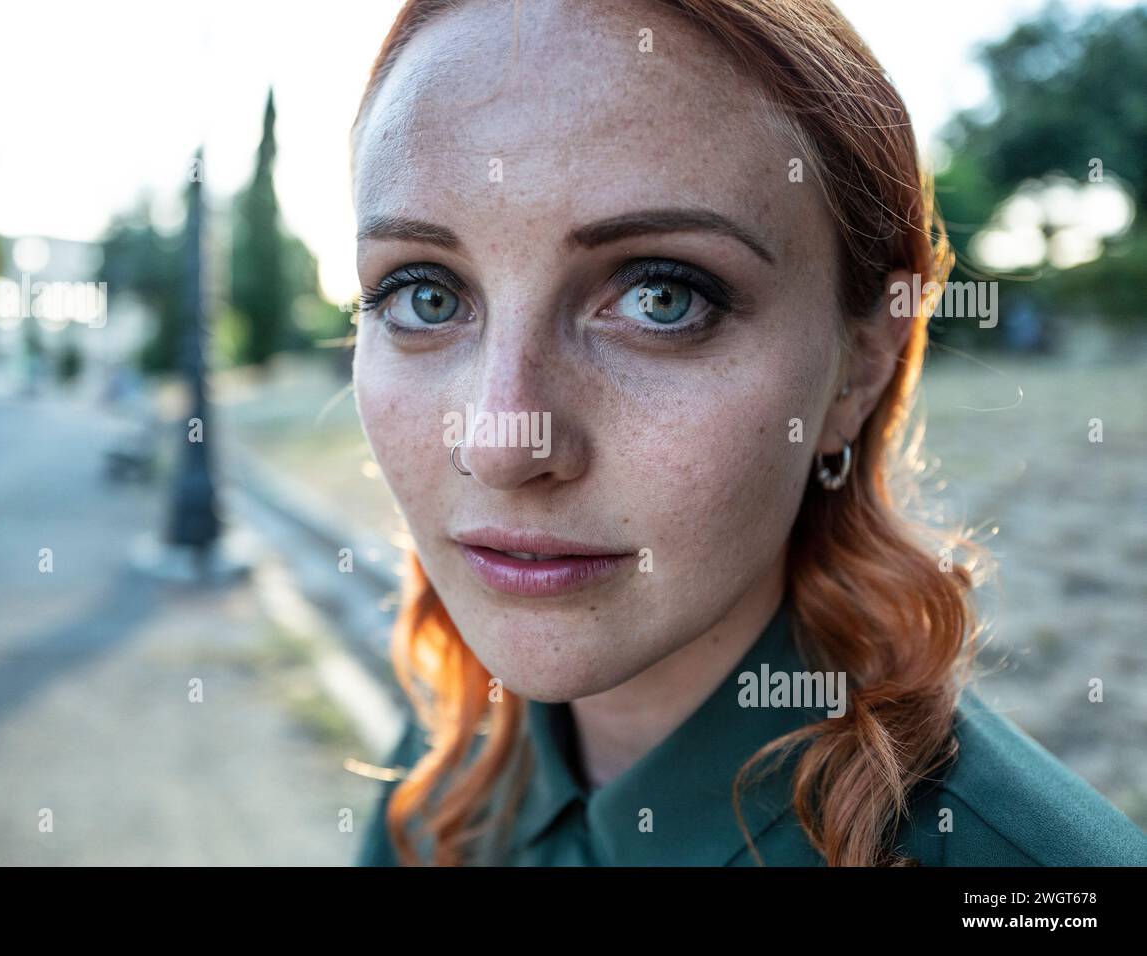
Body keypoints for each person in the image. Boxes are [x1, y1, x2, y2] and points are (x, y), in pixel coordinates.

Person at [347, 0, 1147, 866]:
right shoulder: (444, 766)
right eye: (424, 294)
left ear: (862, 363)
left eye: (663, 296)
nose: (503, 444)